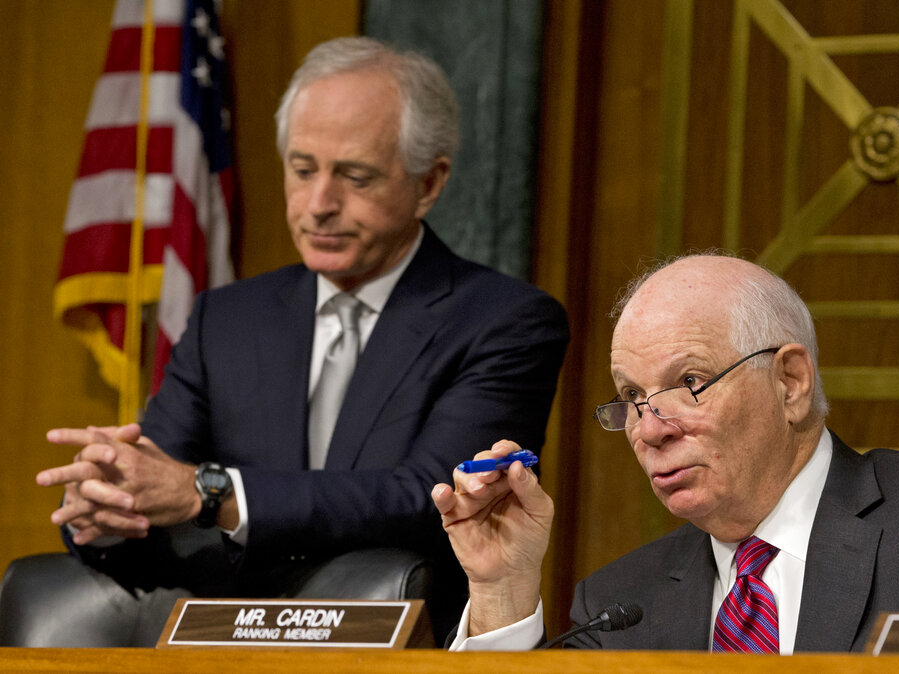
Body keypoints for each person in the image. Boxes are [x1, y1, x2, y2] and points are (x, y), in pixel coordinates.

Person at [28, 36, 568, 645]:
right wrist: (108, 504)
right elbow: (160, 493)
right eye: (303, 169)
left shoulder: (505, 321)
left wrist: (210, 492)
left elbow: (433, 496)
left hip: (409, 652)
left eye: (355, 177)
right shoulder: (225, 319)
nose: (318, 204)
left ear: (429, 183)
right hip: (224, 650)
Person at [432, 253, 899, 653]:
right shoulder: (619, 604)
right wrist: (502, 588)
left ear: (790, 382)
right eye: (632, 397)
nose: (649, 429)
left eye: (689, 382)